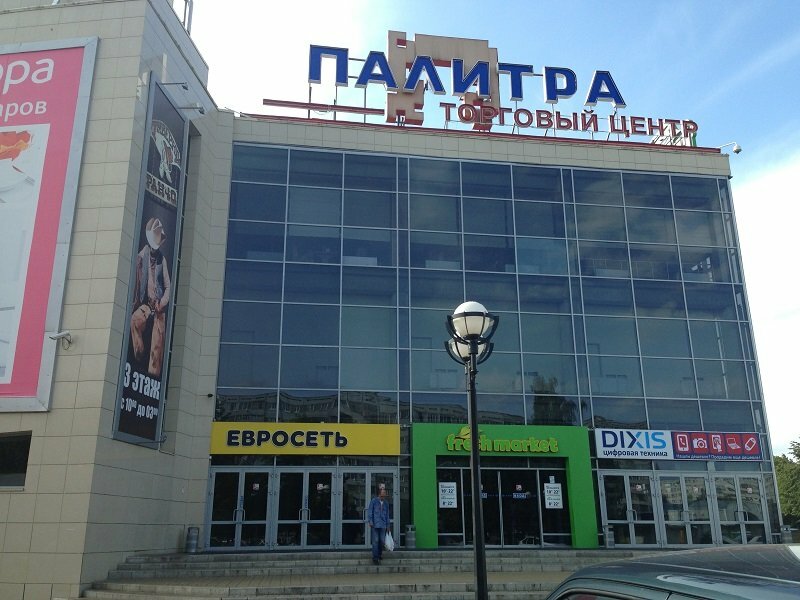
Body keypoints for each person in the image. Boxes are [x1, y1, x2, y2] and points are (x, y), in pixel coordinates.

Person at [130, 217, 171, 377]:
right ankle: (139, 353)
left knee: (157, 346)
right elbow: (136, 283)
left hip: (159, 307)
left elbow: (168, 286)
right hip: (146, 304)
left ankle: (152, 375)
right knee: (134, 320)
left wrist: (163, 302)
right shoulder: (141, 257)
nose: (155, 250)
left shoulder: (162, 260)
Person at [367, 486, 389, 565]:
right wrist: (370, 521)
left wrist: (388, 525)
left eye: (384, 494)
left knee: (382, 541)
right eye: (382, 495)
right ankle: (375, 558)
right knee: (375, 541)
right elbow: (370, 511)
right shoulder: (374, 501)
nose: (384, 496)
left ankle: (379, 554)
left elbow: (387, 515)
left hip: (383, 525)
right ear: (379, 494)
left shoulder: (386, 503)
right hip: (375, 525)